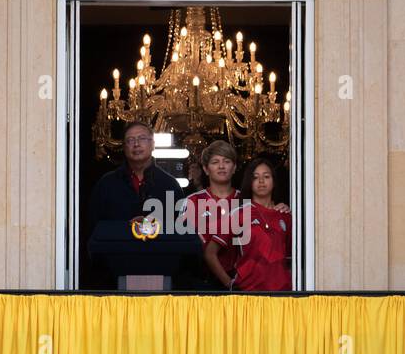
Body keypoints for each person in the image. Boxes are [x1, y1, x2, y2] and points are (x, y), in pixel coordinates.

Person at [88, 121, 184, 229]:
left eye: (142, 138)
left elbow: (179, 231)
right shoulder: (106, 184)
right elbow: (94, 229)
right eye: (130, 140)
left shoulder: (170, 185)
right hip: (117, 245)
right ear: (124, 147)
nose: (136, 144)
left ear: (153, 144)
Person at [226, 156, 292, 292]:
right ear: (249, 182)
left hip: (282, 292)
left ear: (274, 181)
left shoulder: (285, 215)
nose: (261, 181)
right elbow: (211, 252)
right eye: (255, 177)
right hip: (248, 291)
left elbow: (294, 255)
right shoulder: (239, 214)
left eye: (266, 176)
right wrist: (229, 283)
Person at [182, 141, 241, 289]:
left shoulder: (246, 201)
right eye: (215, 162)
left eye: (227, 161)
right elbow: (181, 245)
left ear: (234, 168)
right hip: (200, 283)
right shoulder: (193, 201)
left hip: (240, 283)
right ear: (206, 169)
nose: (221, 166)